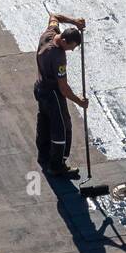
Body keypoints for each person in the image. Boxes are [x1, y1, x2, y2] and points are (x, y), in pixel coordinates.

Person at [34, 13, 87, 177]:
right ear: (64, 41)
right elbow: (63, 88)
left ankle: (44, 154)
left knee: (44, 120)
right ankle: (57, 165)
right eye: (72, 46)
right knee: (62, 128)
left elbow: (54, 16)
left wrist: (74, 22)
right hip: (52, 94)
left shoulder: (49, 34)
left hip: (39, 87)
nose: (72, 50)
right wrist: (79, 101)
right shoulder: (58, 57)